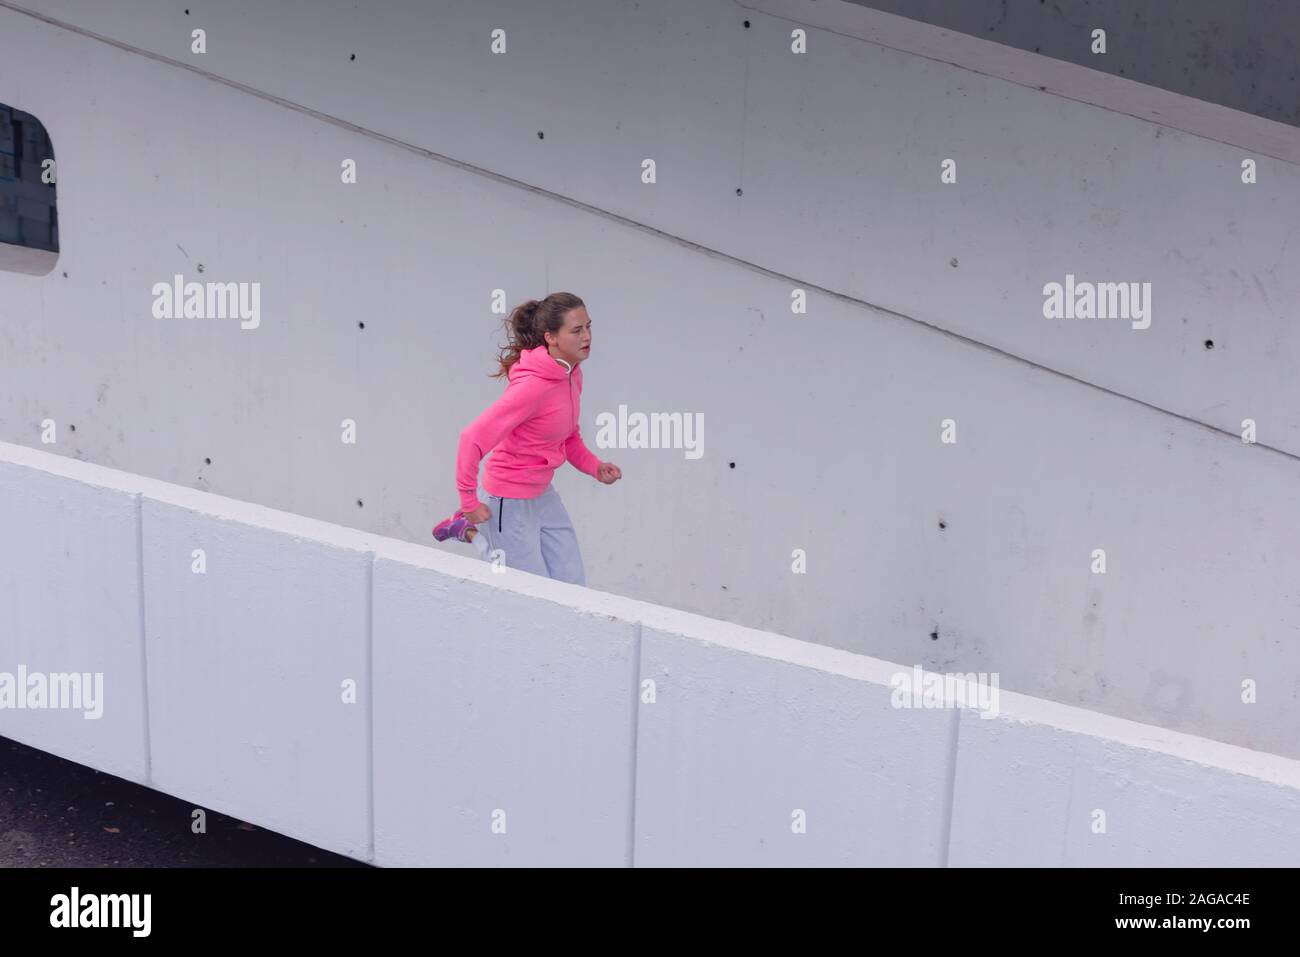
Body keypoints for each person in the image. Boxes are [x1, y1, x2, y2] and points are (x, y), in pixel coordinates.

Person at [432, 292, 621, 585]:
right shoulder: (532, 388)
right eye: (577, 330)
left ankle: (480, 532)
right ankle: (467, 529)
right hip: (508, 498)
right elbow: (471, 438)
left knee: (573, 587)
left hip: (542, 493)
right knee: (530, 591)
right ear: (551, 338)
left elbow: (568, 435)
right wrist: (468, 500)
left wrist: (595, 466)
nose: (587, 336)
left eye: (588, 327)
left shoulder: (571, 375)